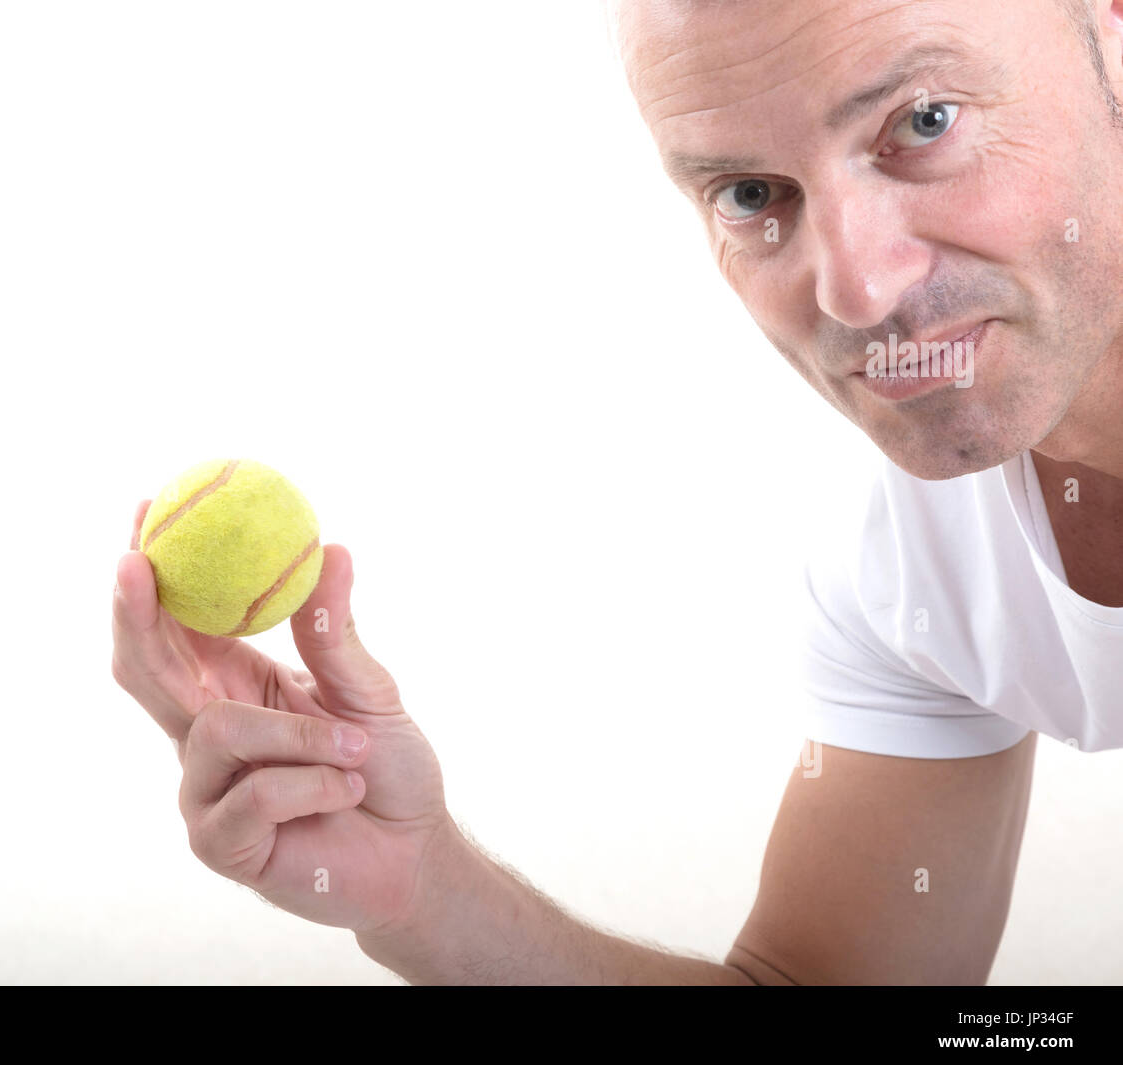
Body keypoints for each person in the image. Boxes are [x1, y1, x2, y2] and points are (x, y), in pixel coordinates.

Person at [111, 0, 1123, 985]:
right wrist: (423, 894)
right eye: (751, 195)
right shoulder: (905, 577)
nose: (854, 289)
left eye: (924, 122)